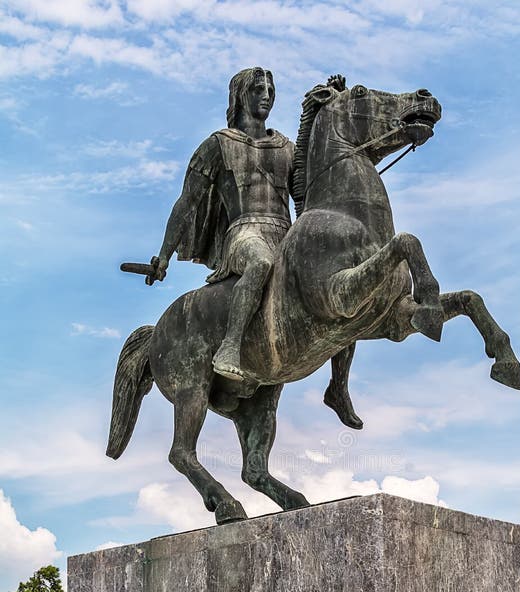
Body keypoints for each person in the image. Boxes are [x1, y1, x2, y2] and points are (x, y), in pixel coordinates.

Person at [147, 66, 362, 426]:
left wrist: (329, 105)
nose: (266, 94)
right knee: (260, 264)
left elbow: (304, 189)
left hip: (285, 232)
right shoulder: (218, 144)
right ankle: (230, 345)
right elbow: (188, 203)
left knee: (339, 289)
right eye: (258, 88)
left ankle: (338, 387)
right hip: (245, 232)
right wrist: (164, 256)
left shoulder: (285, 147)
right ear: (240, 96)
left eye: (270, 88)